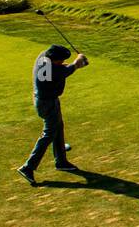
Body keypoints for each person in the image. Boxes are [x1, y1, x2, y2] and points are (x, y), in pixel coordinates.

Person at [17, 44, 89, 185]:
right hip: (47, 103)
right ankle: (28, 167)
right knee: (49, 133)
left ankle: (61, 160)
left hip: (45, 100)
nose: (62, 62)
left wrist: (72, 64)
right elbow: (65, 71)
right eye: (60, 60)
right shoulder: (53, 70)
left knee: (58, 127)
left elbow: (61, 68)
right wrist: (78, 62)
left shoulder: (43, 56)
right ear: (54, 59)